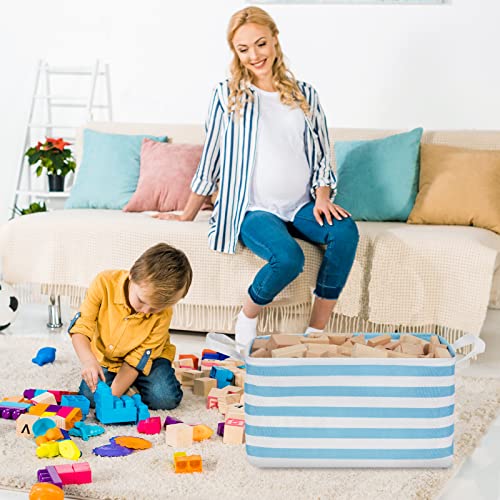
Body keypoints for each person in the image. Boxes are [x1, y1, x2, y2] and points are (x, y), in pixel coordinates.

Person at [156, 7, 359, 350]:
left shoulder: (305, 94)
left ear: (275, 40)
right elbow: (212, 159)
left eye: (261, 44)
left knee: (345, 231)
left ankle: (314, 334)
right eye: (243, 49)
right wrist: (187, 213)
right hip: (252, 209)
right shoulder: (228, 95)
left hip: (301, 207)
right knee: (289, 258)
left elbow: (324, 155)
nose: (254, 55)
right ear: (234, 53)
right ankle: (246, 317)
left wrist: (323, 197)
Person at [68, 243, 192, 410]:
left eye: (155, 309)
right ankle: (131, 387)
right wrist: (89, 361)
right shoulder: (104, 283)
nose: (145, 311)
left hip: (148, 359)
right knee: (90, 397)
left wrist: (110, 400)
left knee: (164, 398)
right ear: (132, 276)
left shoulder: (164, 314)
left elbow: (136, 361)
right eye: (141, 301)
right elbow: (81, 328)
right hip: (107, 358)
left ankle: (134, 385)